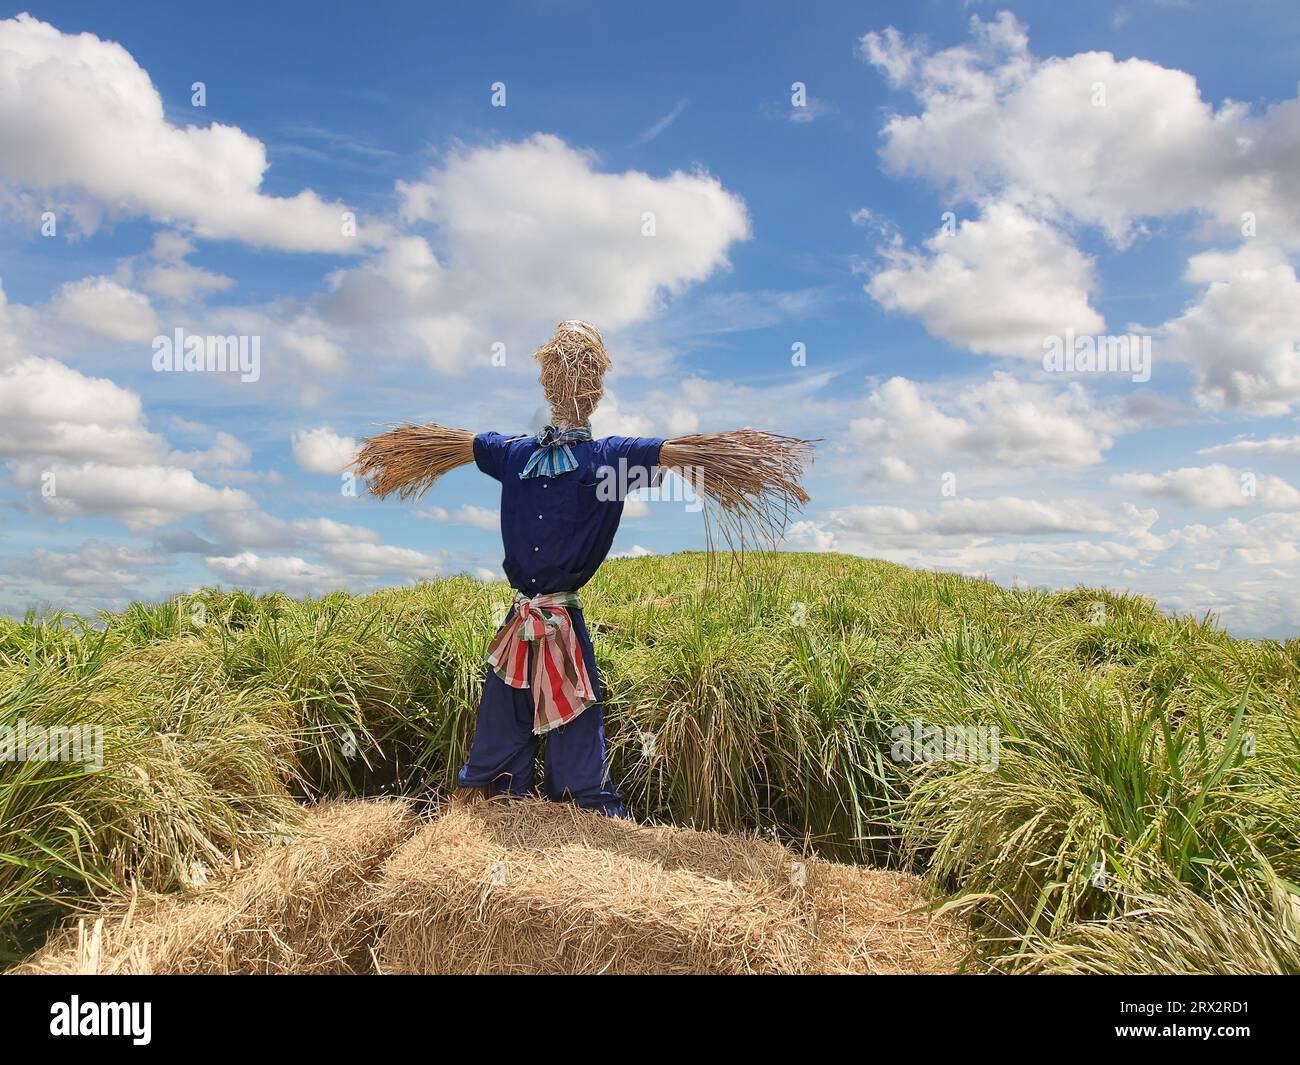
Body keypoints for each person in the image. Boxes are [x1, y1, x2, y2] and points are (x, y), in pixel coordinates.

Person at [353, 320, 812, 816]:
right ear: (557, 383)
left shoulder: (603, 461)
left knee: (569, 720)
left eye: (577, 373)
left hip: (558, 618)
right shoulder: (520, 455)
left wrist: (712, 462)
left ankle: (578, 811)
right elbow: (462, 443)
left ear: (591, 386)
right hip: (522, 618)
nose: (569, 383)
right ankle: (499, 801)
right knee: (506, 714)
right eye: (562, 372)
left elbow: (669, 455)